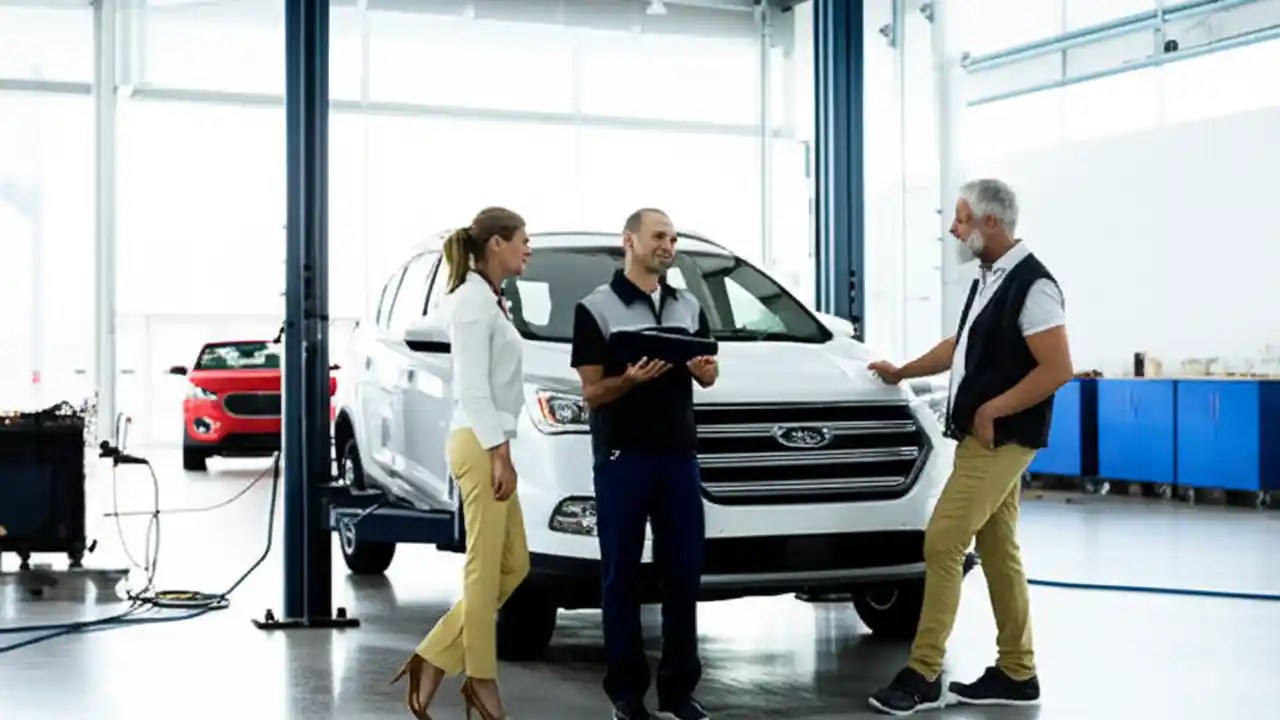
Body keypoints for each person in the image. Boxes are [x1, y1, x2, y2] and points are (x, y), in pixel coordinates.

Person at [866, 179, 1074, 715]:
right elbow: (961, 348)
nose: (954, 228)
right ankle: (1017, 672)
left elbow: (1057, 368)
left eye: (961, 219)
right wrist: (904, 371)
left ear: (991, 223)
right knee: (1001, 552)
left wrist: (991, 409)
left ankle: (924, 672)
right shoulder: (989, 278)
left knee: (943, 542)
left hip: (1001, 440)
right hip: (981, 439)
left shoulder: (1033, 285)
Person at [571, 208, 719, 720]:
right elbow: (591, 393)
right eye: (659, 236)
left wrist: (704, 370)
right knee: (622, 577)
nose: (668, 245)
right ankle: (627, 695)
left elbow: (710, 374)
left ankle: (679, 692)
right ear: (629, 241)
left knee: (684, 574)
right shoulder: (595, 308)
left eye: (673, 238)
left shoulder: (689, 304)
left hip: (679, 456)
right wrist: (630, 381)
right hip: (622, 457)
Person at [390, 207, 533, 720]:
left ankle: (432, 657)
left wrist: (503, 448)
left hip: (488, 440)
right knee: (483, 566)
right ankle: (481, 681)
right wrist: (499, 453)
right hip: (478, 444)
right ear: (495, 243)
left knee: (514, 565)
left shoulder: (491, 300)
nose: (527, 248)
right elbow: (472, 387)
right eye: (522, 239)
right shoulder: (471, 304)